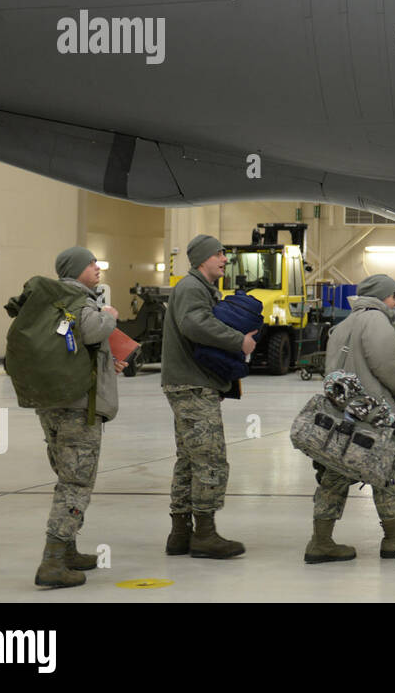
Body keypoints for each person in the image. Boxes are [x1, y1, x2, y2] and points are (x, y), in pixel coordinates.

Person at [305, 273, 395, 563]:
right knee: (385, 472)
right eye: (393, 296)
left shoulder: (343, 326)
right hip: (373, 416)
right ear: (382, 296)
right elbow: (388, 365)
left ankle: (321, 541)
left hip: (342, 415)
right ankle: (394, 537)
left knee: (335, 474)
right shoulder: (377, 322)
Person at [160, 234, 258, 560]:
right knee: (210, 459)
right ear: (202, 259)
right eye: (218, 254)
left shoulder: (198, 288)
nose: (224, 259)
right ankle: (204, 534)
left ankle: (180, 534)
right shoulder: (191, 288)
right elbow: (194, 325)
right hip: (192, 385)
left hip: (188, 383)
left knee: (189, 460)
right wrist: (237, 341)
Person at [32, 247, 124, 588]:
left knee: (66, 475)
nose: (97, 267)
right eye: (90, 263)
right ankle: (53, 560)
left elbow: (73, 345)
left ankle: (67, 550)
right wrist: (110, 315)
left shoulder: (51, 302)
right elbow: (92, 331)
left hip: (52, 405)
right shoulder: (81, 302)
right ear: (75, 269)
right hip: (77, 408)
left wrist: (105, 364)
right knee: (76, 482)